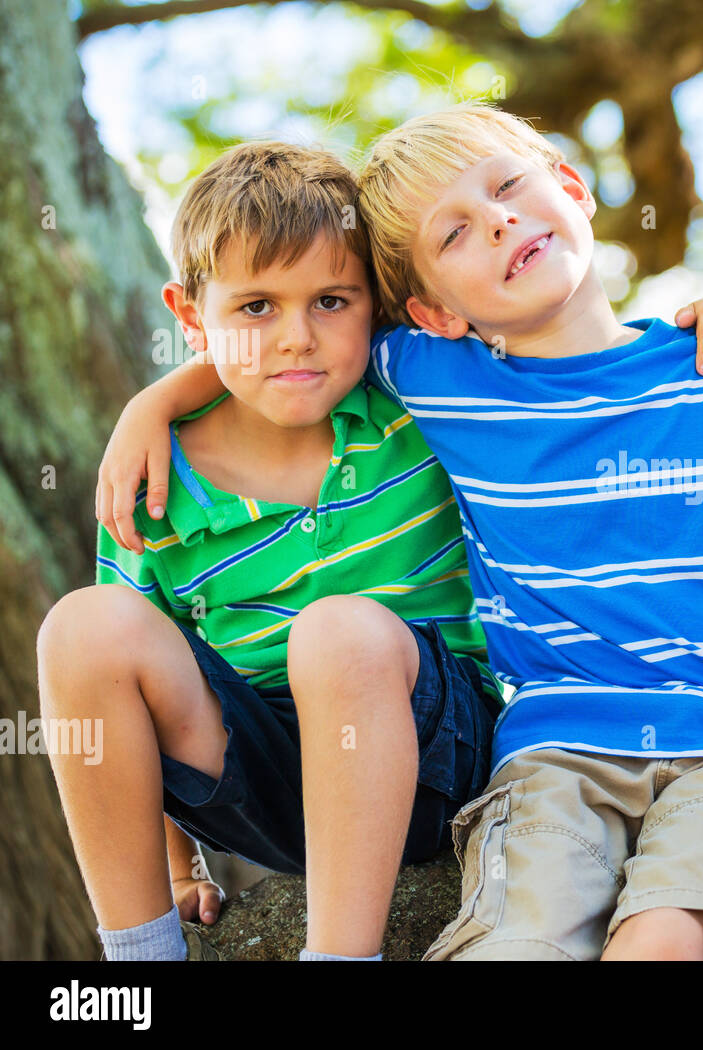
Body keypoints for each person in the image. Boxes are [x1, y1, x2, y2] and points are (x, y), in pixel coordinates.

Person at [91, 104, 703, 961]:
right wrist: (154, 402)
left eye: (507, 189)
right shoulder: (434, 378)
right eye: (455, 232)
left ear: (571, 186)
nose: (497, 221)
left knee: (667, 935)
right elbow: (279, 336)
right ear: (432, 312)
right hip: (555, 757)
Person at [39, 142, 502, 962]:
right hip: (265, 788)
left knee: (337, 634)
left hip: (435, 757)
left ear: (379, 306)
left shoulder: (411, 397)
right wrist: (178, 862)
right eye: (255, 308)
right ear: (190, 318)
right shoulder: (155, 481)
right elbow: (125, 696)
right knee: (83, 627)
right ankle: (137, 959)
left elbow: (549, 337)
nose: (297, 338)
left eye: (331, 300)